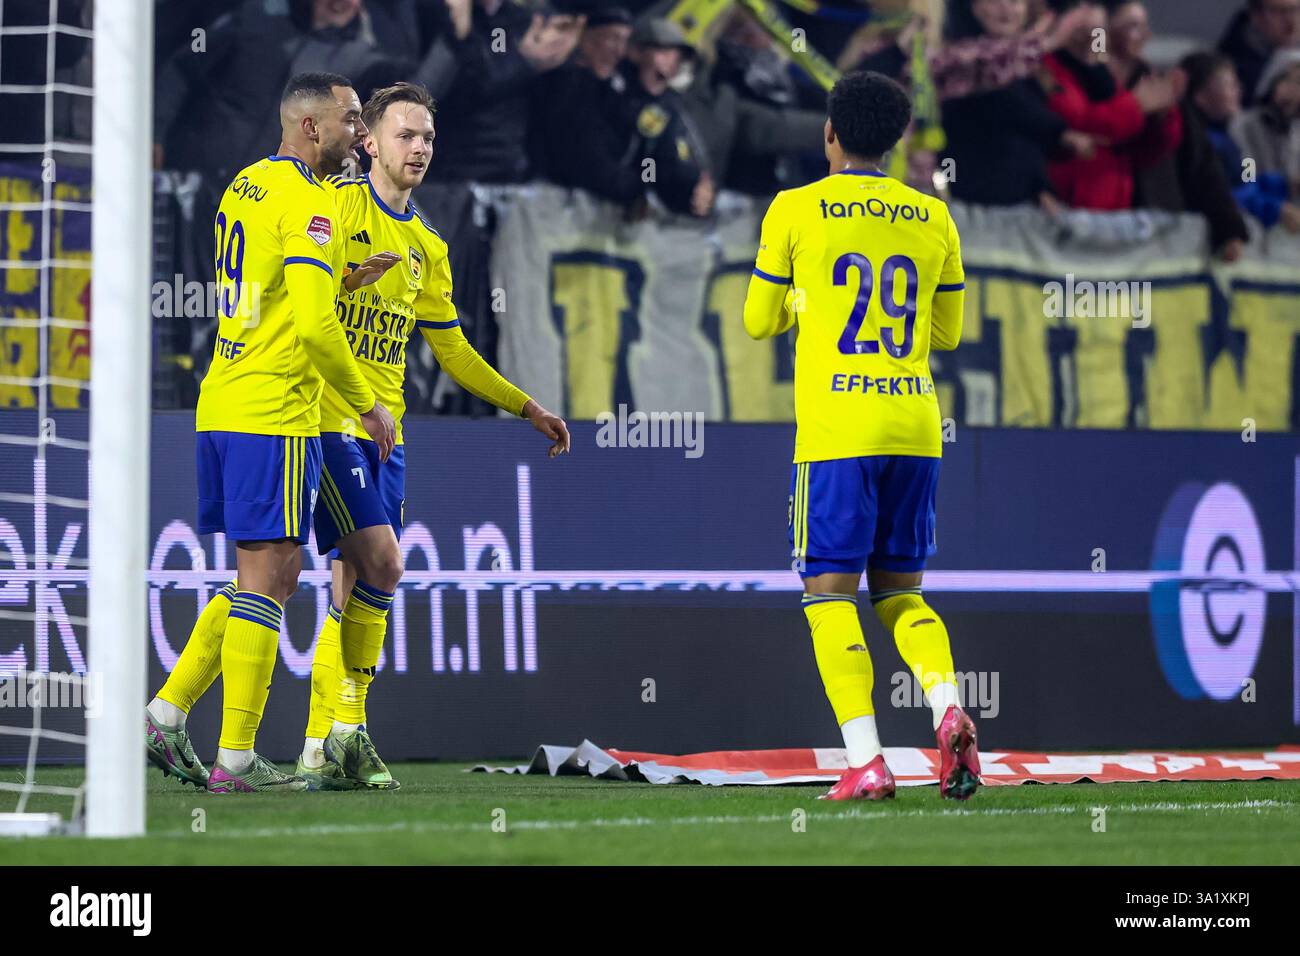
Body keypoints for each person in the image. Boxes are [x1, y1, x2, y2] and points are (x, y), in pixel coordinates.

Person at [300, 83, 570, 790]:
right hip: (330, 419)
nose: (418, 147)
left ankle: (321, 744)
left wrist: (525, 406)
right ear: (369, 143)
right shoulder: (332, 210)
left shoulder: (427, 247)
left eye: (427, 138)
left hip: (389, 433)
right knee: (382, 565)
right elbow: (301, 305)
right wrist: (352, 284)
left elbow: (451, 352)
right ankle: (346, 729)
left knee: (351, 583)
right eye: (404, 135)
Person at [144, 72, 398, 793]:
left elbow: (277, 293)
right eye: (352, 119)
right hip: (277, 410)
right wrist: (368, 404)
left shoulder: (246, 184)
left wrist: (343, 278)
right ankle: (234, 756)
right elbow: (316, 332)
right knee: (269, 577)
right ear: (312, 127)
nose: (361, 134)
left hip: (223, 401)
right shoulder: (312, 201)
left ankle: (168, 714)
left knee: (267, 574)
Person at [742, 71, 980, 802]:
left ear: (829, 134)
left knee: (829, 596)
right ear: (900, 140)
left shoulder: (794, 208)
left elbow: (759, 319)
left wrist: (806, 298)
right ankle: (946, 709)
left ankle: (865, 760)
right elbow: (948, 331)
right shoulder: (933, 216)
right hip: (914, 424)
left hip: (838, 431)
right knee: (903, 594)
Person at [1105, 1, 1248, 260]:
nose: (1145, 35)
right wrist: (1132, 110)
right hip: (1094, 232)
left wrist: (1229, 226)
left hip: (1159, 241)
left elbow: (1209, 169)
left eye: (1144, 27)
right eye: (1133, 26)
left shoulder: (1165, 95)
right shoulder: (1077, 86)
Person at [1040, 0, 1182, 211]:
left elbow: (1143, 151)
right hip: (1065, 205)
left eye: (1099, 29)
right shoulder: (1046, 68)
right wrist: (1137, 106)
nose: (1092, 36)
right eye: (1083, 29)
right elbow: (1076, 120)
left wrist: (1161, 118)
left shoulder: (1108, 77)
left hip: (1114, 208)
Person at [1185, 50, 1300, 233]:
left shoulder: (1223, 138)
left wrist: (1286, 184)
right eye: (1229, 85)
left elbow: (1247, 181)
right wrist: (1275, 208)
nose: (1239, 89)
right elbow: (1234, 187)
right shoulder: (1229, 133)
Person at [1219, 0, 1300, 108]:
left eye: (1297, 9)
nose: (1292, 20)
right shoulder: (1227, 69)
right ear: (1256, 16)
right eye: (1281, 11)